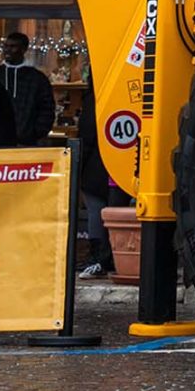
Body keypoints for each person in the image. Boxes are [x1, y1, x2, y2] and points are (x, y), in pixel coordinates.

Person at [75, 77, 126, 278]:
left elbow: (87, 132)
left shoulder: (95, 97)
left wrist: (79, 163)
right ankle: (116, 257)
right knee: (117, 211)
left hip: (96, 164)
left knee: (96, 211)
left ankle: (98, 258)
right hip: (122, 162)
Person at [0, 32, 57, 146]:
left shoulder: (37, 78)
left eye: (13, 46)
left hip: (29, 143)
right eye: (6, 46)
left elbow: (47, 108)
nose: (7, 50)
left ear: (23, 49)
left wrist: (36, 133)